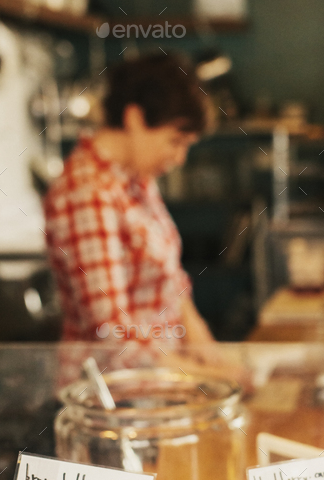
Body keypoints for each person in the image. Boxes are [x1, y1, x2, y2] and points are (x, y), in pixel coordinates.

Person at [44, 52, 217, 362]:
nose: (180, 159)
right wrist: (203, 379)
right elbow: (112, 333)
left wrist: (209, 351)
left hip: (161, 383)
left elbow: (172, 281)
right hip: (112, 397)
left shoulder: (136, 179)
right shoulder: (87, 192)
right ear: (135, 118)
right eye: (175, 141)